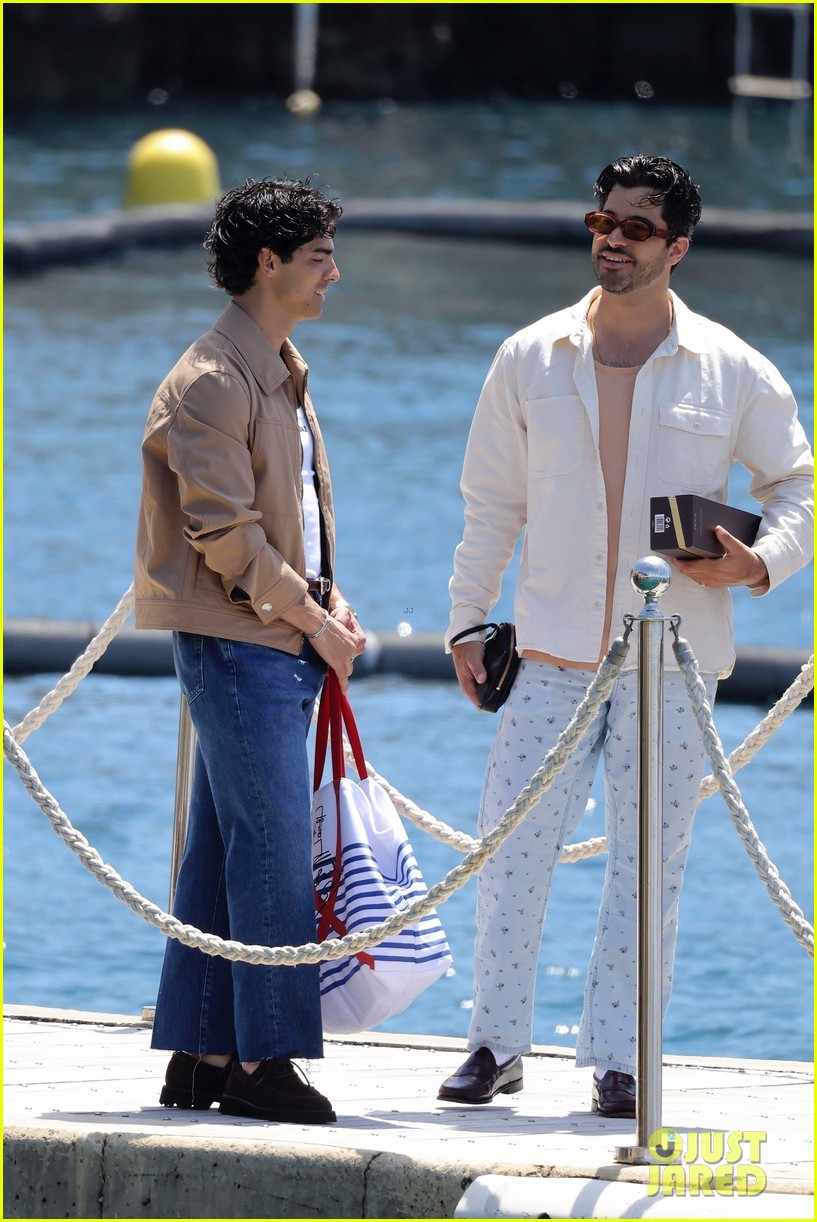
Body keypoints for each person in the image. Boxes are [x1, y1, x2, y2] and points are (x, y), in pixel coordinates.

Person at [438, 155, 813, 1116]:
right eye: (600, 219)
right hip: (552, 656)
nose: (610, 236)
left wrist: (758, 562)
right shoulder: (528, 355)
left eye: (635, 227)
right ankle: (493, 1043)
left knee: (651, 866)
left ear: (676, 247)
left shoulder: (732, 366)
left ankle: (620, 1058)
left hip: (674, 663)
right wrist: (468, 623)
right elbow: (489, 505)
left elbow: (798, 488)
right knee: (510, 853)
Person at [135, 177, 365, 1125]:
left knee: (225, 849)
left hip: (273, 635)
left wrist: (327, 601)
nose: (333, 275)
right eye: (318, 257)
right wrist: (313, 622)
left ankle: (197, 1057)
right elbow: (224, 534)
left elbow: (293, 516)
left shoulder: (275, 360)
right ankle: (263, 1064)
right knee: (270, 850)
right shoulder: (215, 378)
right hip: (243, 644)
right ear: (268, 263)